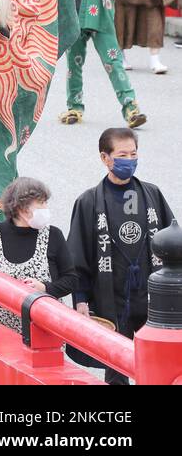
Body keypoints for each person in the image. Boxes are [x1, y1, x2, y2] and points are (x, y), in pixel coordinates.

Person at [67, 128, 176, 383]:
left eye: (133, 154)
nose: (130, 160)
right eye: (122, 155)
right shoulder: (89, 201)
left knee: (158, 364)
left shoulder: (152, 194)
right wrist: (81, 300)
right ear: (105, 158)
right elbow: (78, 255)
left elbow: (173, 244)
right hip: (111, 297)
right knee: (117, 367)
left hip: (151, 294)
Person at [0, 178, 78, 333]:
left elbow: (71, 280)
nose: (46, 208)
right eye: (41, 203)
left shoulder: (53, 235)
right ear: (22, 209)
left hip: (43, 328)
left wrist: (45, 287)